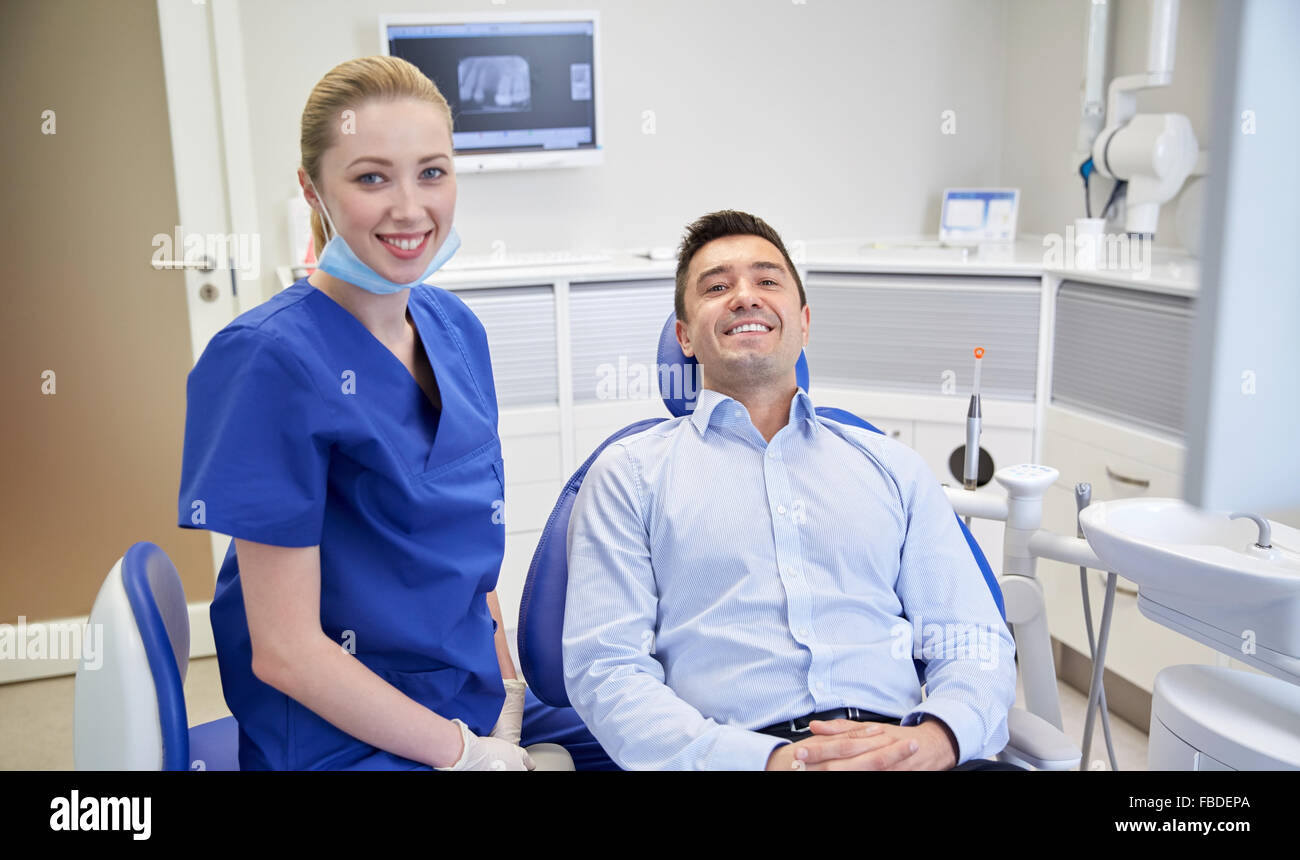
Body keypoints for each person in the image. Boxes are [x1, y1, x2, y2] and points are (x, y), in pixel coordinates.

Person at [177, 55, 612, 771]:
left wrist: (504, 697)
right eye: (371, 176)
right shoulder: (266, 361)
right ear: (312, 188)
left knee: (661, 742)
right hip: (341, 731)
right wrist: (464, 755)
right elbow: (286, 653)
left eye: (432, 172)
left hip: (467, 693)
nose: (410, 208)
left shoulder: (457, 329)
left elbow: (469, 557)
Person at [562, 210, 1023, 771]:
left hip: (904, 752)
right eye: (716, 286)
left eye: (767, 280)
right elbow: (606, 670)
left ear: (803, 322)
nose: (744, 297)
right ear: (684, 335)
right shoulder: (628, 475)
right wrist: (767, 762)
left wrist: (940, 738)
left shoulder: (892, 468)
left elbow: (971, 638)